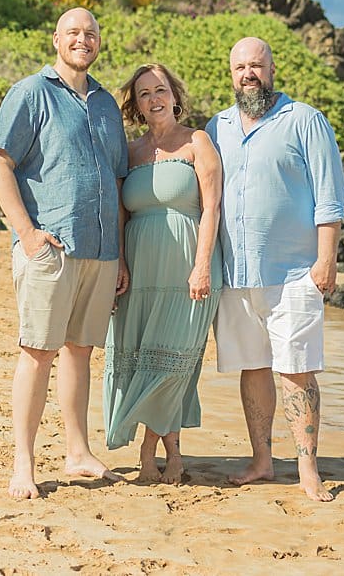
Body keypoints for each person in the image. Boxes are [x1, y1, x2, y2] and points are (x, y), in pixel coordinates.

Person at [0, 7, 130, 500]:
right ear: (56, 39)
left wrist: (122, 255)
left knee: (80, 351)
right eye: (73, 32)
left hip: (101, 249)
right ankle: (23, 465)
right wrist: (26, 233)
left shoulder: (109, 104)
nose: (82, 40)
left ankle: (77, 452)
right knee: (37, 351)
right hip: (51, 244)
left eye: (90, 33)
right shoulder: (31, 92)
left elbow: (115, 179)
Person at [205, 37, 344, 502]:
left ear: (272, 69)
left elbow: (330, 195)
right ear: (231, 74)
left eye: (257, 65)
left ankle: (307, 468)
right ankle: (262, 460)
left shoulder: (304, 120)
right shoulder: (217, 126)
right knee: (253, 368)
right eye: (240, 67)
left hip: (294, 273)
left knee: (297, 370)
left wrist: (325, 261)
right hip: (237, 275)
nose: (249, 73)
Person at [103, 63, 222, 484]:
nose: (154, 99)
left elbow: (212, 207)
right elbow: (119, 213)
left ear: (175, 95)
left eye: (160, 90)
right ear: (136, 104)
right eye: (144, 94)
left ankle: (149, 448)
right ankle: (173, 452)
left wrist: (202, 265)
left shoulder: (197, 142)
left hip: (186, 269)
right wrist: (119, 261)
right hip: (139, 269)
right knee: (142, 359)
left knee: (172, 362)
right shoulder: (131, 152)